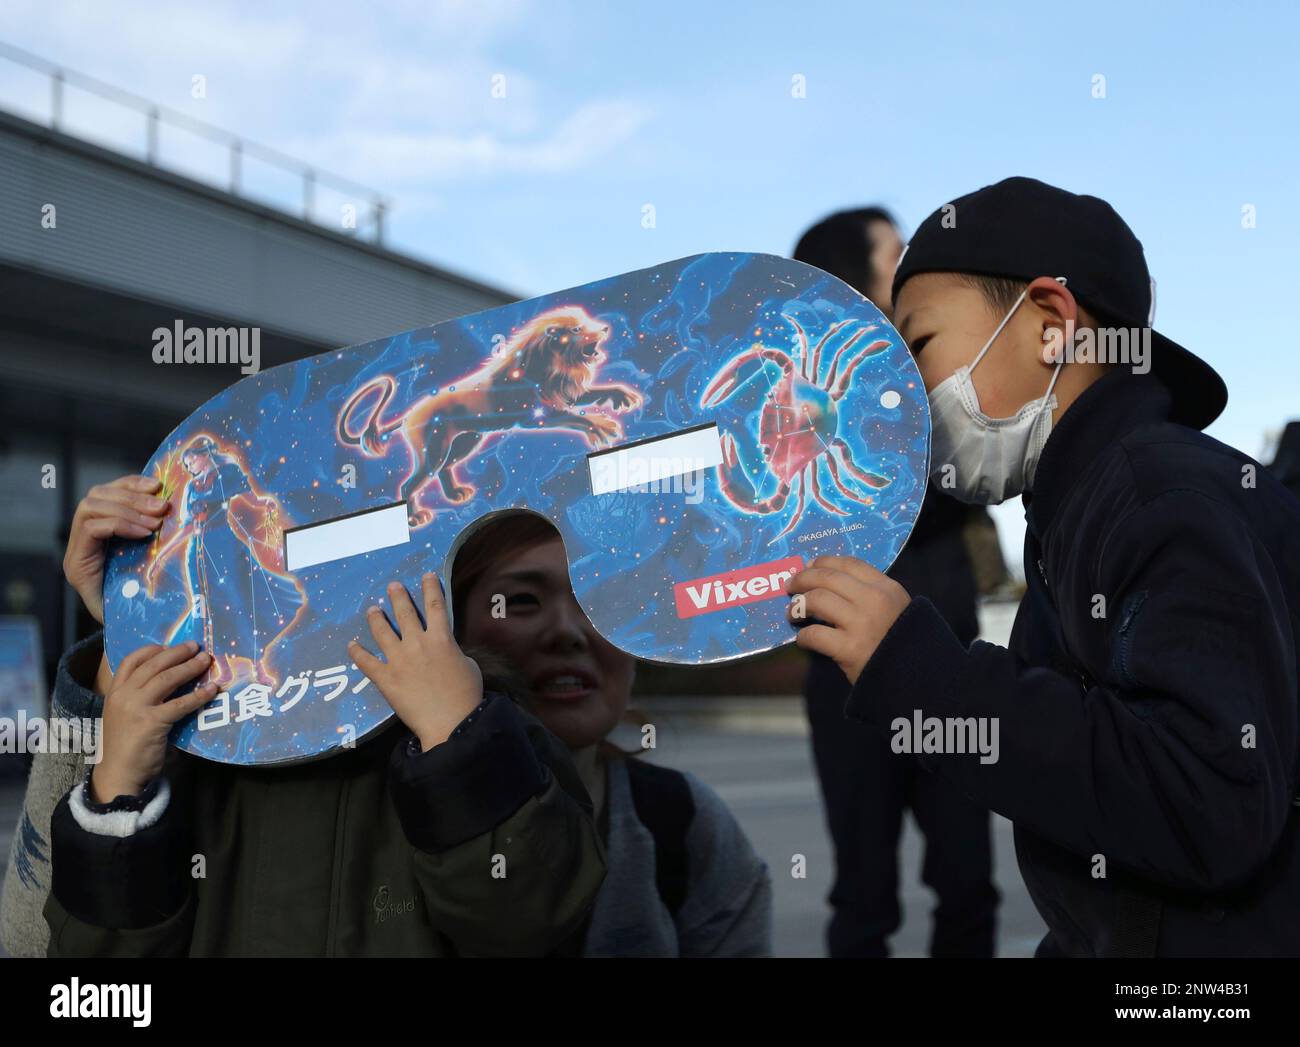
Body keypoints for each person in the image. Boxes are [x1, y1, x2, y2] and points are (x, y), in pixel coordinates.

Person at [786, 177, 1300, 957]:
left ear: (1051, 324)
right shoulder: (1075, 513)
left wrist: (926, 677)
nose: (901, 391)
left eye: (918, 345)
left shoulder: (1158, 500)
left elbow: (1211, 801)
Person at [3, 474, 605, 957]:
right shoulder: (195, 736)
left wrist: (460, 743)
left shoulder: (482, 725)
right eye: (259, 562)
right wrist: (115, 796)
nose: (299, 588)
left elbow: (532, 919)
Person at [794, 208, 1000, 956]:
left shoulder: (939, 368)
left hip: (947, 661)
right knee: (863, 893)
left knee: (969, 881)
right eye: (894, 250)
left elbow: (974, 477)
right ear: (854, 274)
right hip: (846, 678)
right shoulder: (798, 392)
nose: (914, 258)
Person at [450, 512, 772, 957]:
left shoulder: (685, 823)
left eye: (605, 600)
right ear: (451, 630)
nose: (567, 632)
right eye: (523, 600)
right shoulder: (380, 829)